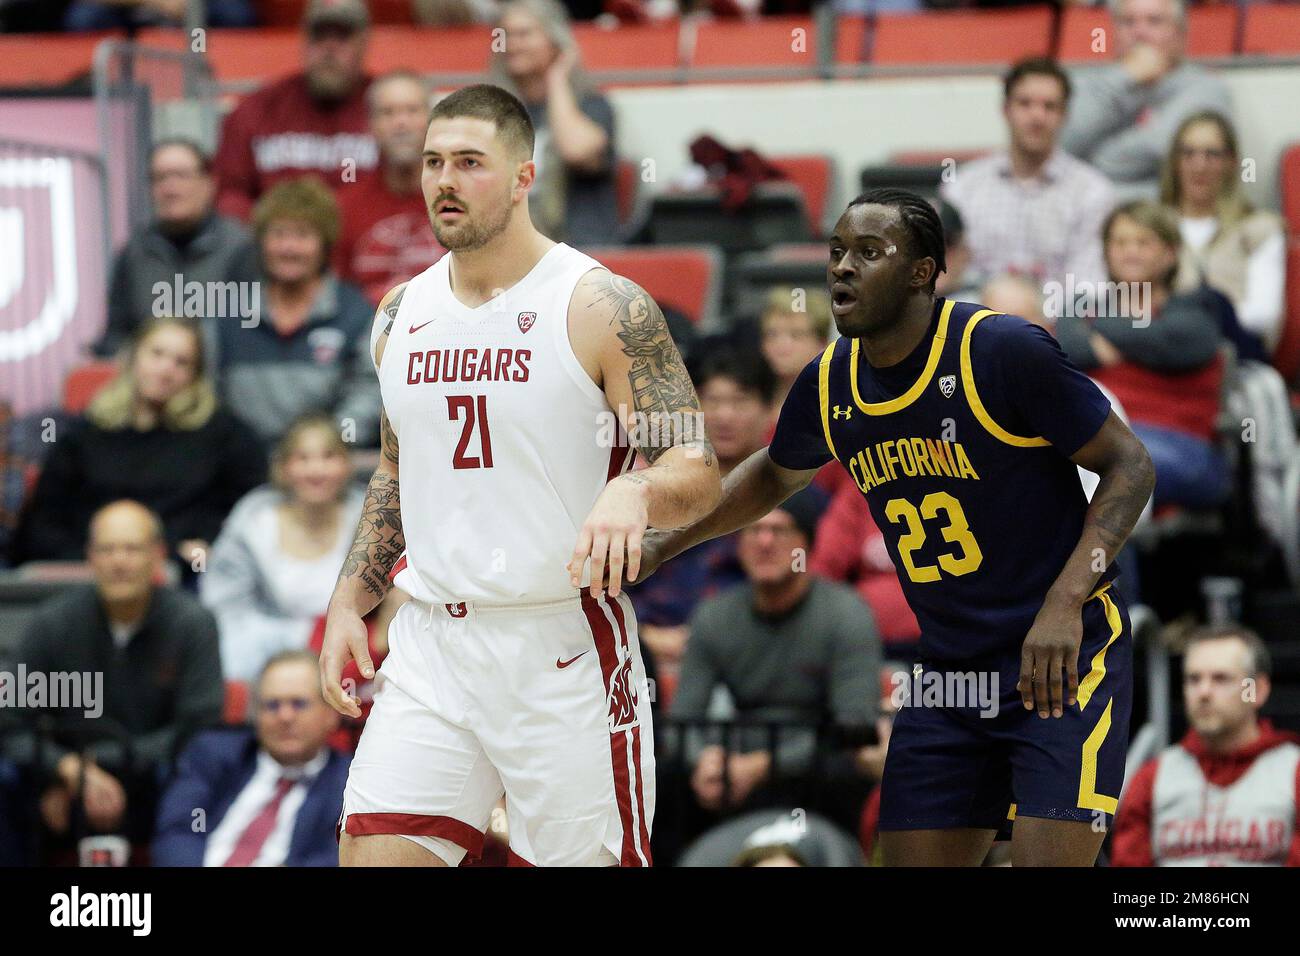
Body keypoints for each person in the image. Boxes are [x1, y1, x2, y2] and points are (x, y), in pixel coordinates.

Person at [639, 188, 1156, 867]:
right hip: (949, 669)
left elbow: (1131, 466)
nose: (843, 268)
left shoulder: (999, 351)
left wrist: (1065, 601)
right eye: (836, 253)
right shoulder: (832, 382)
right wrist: (659, 544)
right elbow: (773, 475)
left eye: (869, 252)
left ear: (921, 273)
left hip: (1059, 657)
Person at [321, 84, 720, 868]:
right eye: (434, 162)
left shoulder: (602, 304)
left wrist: (635, 489)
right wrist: (348, 600)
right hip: (433, 642)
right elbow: (397, 472)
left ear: (522, 176)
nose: (444, 180)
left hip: (561, 646)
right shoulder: (400, 313)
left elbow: (696, 469)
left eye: (470, 162)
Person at [11, 501, 224, 849]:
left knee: (194, 777)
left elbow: (197, 727)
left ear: (158, 556)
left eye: (132, 549)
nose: (119, 561)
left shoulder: (192, 623)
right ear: (89, 558)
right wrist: (63, 769)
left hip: (153, 778)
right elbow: (9, 721)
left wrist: (91, 766)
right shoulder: (52, 623)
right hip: (58, 781)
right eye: (106, 550)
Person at [672, 490, 880, 816]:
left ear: (806, 544)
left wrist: (762, 766)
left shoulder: (846, 613)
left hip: (817, 771)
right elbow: (683, 720)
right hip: (735, 760)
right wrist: (704, 760)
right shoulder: (714, 615)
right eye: (754, 530)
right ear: (738, 544)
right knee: (664, 773)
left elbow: (854, 728)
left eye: (780, 530)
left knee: (851, 765)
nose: (765, 542)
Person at [13, 317, 265, 566]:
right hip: (89, 575)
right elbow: (44, 521)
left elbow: (252, 510)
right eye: (157, 354)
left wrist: (207, 547)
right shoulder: (85, 433)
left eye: (181, 362)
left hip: (183, 576)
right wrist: (89, 561)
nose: (166, 369)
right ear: (133, 356)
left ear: (195, 375)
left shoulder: (224, 435)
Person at [1054, 200, 1230, 510]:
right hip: (1099, 437)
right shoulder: (1083, 305)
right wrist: (1134, 343)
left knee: (1116, 471)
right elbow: (1065, 348)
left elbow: (1174, 342)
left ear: (1170, 253)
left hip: (1181, 447)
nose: (1129, 251)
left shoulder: (1196, 307)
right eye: (1119, 242)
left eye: (1143, 242)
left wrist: (1099, 331)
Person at [627, 348, 772, 679]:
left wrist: (706, 640)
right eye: (711, 400)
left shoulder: (795, 501)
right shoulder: (648, 490)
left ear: (768, 410)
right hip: (640, 649)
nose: (724, 416)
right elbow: (611, 581)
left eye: (739, 401)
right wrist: (645, 635)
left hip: (747, 662)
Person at [1112, 625, 1300, 866]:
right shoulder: (1151, 777)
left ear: (1257, 691)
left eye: (1221, 678)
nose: (1203, 691)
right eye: (1193, 679)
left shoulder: (1293, 772)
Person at [201, 414, 366, 683]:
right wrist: (301, 642)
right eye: (303, 459)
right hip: (264, 658)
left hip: (353, 656)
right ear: (283, 467)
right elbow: (225, 607)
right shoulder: (253, 520)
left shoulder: (372, 519)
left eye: (329, 457)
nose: (316, 470)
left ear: (347, 465)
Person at [217, 177, 380, 449]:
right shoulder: (229, 315)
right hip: (241, 474)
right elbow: (210, 399)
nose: (289, 248)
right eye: (278, 234)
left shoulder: (355, 313)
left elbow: (369, 393)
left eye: (303, 235)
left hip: (327, 472)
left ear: (324, 244)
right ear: (261, 242)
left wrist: (320, 450)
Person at [153, 651, 351, 867]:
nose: (284, 716)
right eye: (272, 705)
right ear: (255, 714)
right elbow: (181, 828)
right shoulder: (213, 754)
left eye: (299, 703)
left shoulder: (348, 784)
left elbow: (335, 857)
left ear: (331, 713)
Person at [941, 58, 1114, 297]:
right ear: (1006, 110)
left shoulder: (1093, 192)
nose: (1037, 116)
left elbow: (1088, 287)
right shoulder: (962, 187)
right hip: (975, 322)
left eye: (1049, 106)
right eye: (1025, 103)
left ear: (1065, 115)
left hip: (1055, 327)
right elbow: (947, 277)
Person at [213, 0, 377, 221]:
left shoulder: (388, 108)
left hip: (368, 247)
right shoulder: (259, 109)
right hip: (277, 247)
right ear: (304, 42)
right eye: (319, 36)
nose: (329, 49)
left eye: (342, 37)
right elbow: (230, 193)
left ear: (364, 43)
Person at [93, 140, 255, 361]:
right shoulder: (133, 253)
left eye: (181, 175)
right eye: (160, 178)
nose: (170, 188)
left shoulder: (242, 249)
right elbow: (115, 335)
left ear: (209, 183)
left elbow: (254, 332)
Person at [1060, 0, 1232, 200]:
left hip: (1167, 215)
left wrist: (1084, 164)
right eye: (1128, 22)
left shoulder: (1206, 88)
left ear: (1180, 33)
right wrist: (1125, 77)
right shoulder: (1094, 84)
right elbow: (1058, 145)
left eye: (1154, 21)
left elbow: (1158, 150)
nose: (1140, 32)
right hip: (1087, 217)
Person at [488, 0, 621, 245]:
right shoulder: (495, 113)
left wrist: (558, 78)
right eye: (506, 36)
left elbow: (576, 151)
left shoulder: (592, 105)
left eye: (524, 34)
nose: (512, 45)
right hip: (514, 254)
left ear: (555, 40)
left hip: (582, 252)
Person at [1162, 111, 1287, 355]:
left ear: (1231, 162)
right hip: (1159, 356)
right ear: (1175, 162)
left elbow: (1264, 317)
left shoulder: (1260, 228)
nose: (1200, 165)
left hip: (1236, 357)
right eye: (1188, 153)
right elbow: (1127, 306)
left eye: (1212, 154)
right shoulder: (1149, 227)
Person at [335, 70, 447, 305]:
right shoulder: (345, 207)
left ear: (433, 120)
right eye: (388, 113)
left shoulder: (462, 197)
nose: (401, 123)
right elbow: (338, 299)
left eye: (412, 110)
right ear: (370, 125)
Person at [759, 285, 833, 417]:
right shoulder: (748, 402)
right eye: (772, 334)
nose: (781, 344)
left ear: (823, 344)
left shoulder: (836, 407)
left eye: (796, 335)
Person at [63, 0, 255, 30]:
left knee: (235, 14)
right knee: (83, 17)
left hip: (193, 10)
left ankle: (205, 60)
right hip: (129, 10)